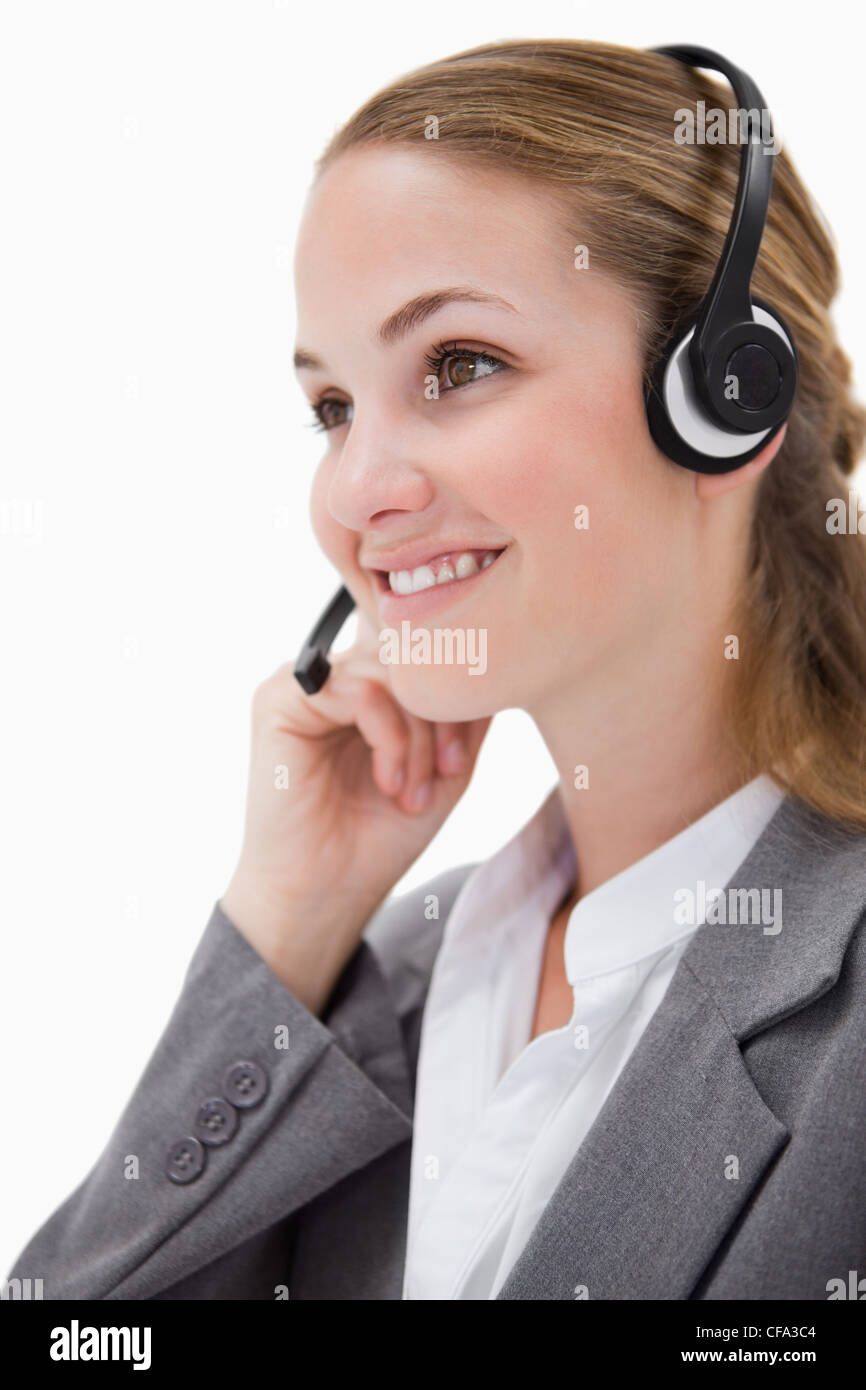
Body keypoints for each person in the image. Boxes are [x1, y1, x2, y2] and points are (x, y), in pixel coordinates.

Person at [7, 38, 866, 1301]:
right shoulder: (386, 978)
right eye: (333, 407)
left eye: (457, 365)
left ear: (722, 398)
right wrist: (283, 929)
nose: (354, 492)